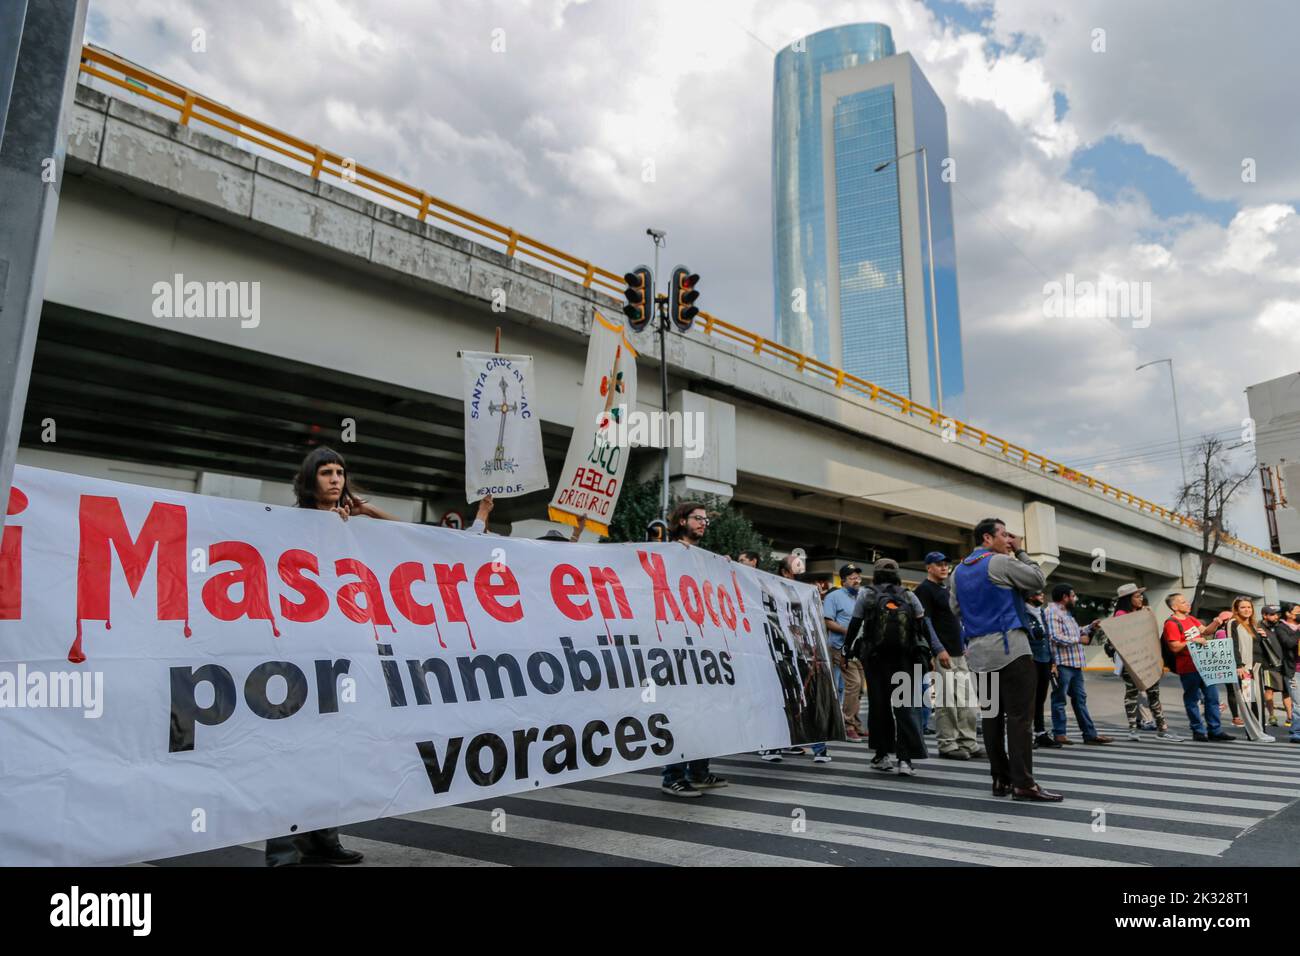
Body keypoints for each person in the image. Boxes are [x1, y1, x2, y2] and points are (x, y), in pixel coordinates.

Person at [266, 446, 393, 867]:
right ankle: (283, 851)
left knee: (331, 752)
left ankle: (324, 840)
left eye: (340, 472)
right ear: (310, 479)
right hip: (299, 655)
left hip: (338, 654)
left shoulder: (351, 523)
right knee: (292, 753)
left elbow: (410, 540)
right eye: (326, 473)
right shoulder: (290, 523)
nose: (335, 479)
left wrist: (368, 513)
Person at [949, 518, 1058, 801]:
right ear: (987, 538)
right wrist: (1020, 551)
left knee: (992, 716)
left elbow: (955, 608)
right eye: (1004, 534)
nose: (1008, 539)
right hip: (1011, 649)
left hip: (978, 652)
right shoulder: (998, 562)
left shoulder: (958, 571)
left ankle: (1000, 779)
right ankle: (1023, 783)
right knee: (1020, 717)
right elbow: (1037, 580)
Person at [843, 558, 944, 777]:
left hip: (876, 659)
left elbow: (855, 624)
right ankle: (905, 761)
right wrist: (935, 651)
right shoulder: (909, 595)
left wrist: (846, 650)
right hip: (904, 660)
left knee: (879, 708)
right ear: (897, 574)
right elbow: (923, 624)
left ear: (876, 574)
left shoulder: (867, 594)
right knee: (905, 708)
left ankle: (882, 756)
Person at [660, 502, 729, 797]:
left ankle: (699, 771)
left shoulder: (704, 558)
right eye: (697, 518)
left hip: (704, 645)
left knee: (706, 712)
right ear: (681, 521)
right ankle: (672, 776)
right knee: (682, 712)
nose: (703, 523)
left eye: (705, 520)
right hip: (678, 645)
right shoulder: (668, 553)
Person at [914, 552, 982, 760]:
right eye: (939, 565)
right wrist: (938, 649)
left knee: (967, 701)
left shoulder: (947, 589)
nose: (944, 568)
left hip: (959, 651)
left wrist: (965, 643)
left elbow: (956, 620)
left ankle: (968, 742)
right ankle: (947, 744)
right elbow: (926, 623)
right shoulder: (924, 590)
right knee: (947, 702)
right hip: (943, 653)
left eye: (946, 564)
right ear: (928, 567)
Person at [1103, 583, 1180, 742]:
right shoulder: (1121, 615)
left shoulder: (1141, 613)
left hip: (1146, 659)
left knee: (1153, 694)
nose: (1141, 599)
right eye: (1137, 596)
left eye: (1140, 596)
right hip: (1129, 662)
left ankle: (1162, 728)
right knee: (1132, 693)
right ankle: (1133, 728)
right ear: (1127, 599)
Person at [1044, 584, 1113, 746]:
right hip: (1062, 663)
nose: (1075, 599)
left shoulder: (1066, 614)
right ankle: (1059, 734)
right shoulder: (1052, 613)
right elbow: (1055, 637)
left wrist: (1089, 627)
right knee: (1060, 700)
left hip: (1074, 663)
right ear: (1064, 597)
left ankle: (1089, 734)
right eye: (1073, 596)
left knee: (1080, 699)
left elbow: (1074, 632)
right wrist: (1078, 639)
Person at [1162, 593, 1235, 742]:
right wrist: (1193, 642)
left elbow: (1206, 631)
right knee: (1192, 699)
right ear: (1174, 607)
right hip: (1188, 667)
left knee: (1212, 698)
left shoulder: (1191, 619)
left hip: (1205, 665)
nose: (1187, 604)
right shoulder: (1171, 623)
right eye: (1183, 602)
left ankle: (1215, 730)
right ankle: (1198, 730)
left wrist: (1216, 622)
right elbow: (1174, 647)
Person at [823, 564, 866, 742]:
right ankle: (847, 725)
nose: (856, 580)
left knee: (860, 688)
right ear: (843, 581)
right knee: (853, 684)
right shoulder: (833, 597)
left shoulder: (863, 596)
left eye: (858, 577)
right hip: (841, 647)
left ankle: (856, 723)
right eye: (852, 577)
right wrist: (847, 631)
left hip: (861, 648)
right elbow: (827, 621)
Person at [1024, 590, 1059, 749]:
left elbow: (1047, 638)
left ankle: (1040, 732)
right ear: (1029, 596)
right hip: (1030, 660)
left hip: (1044, 659)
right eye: (1038, 593)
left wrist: (1052, 661)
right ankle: (1026, 733)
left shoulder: (1042, 613)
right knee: (1028, 699)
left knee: (1040, 698)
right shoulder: (1023, 613)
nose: (1042, 595)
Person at [1256, 605, 1291, 727]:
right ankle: (1272, 716)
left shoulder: (1281, 626)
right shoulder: (1258, 627)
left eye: (1277, 614)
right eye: (1272, 614)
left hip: (1285, 664)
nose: (1276, 616)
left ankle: (1290, 717)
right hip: (1269, 664)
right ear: (1264, 615)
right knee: (1269, 690)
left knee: (1287, 691)